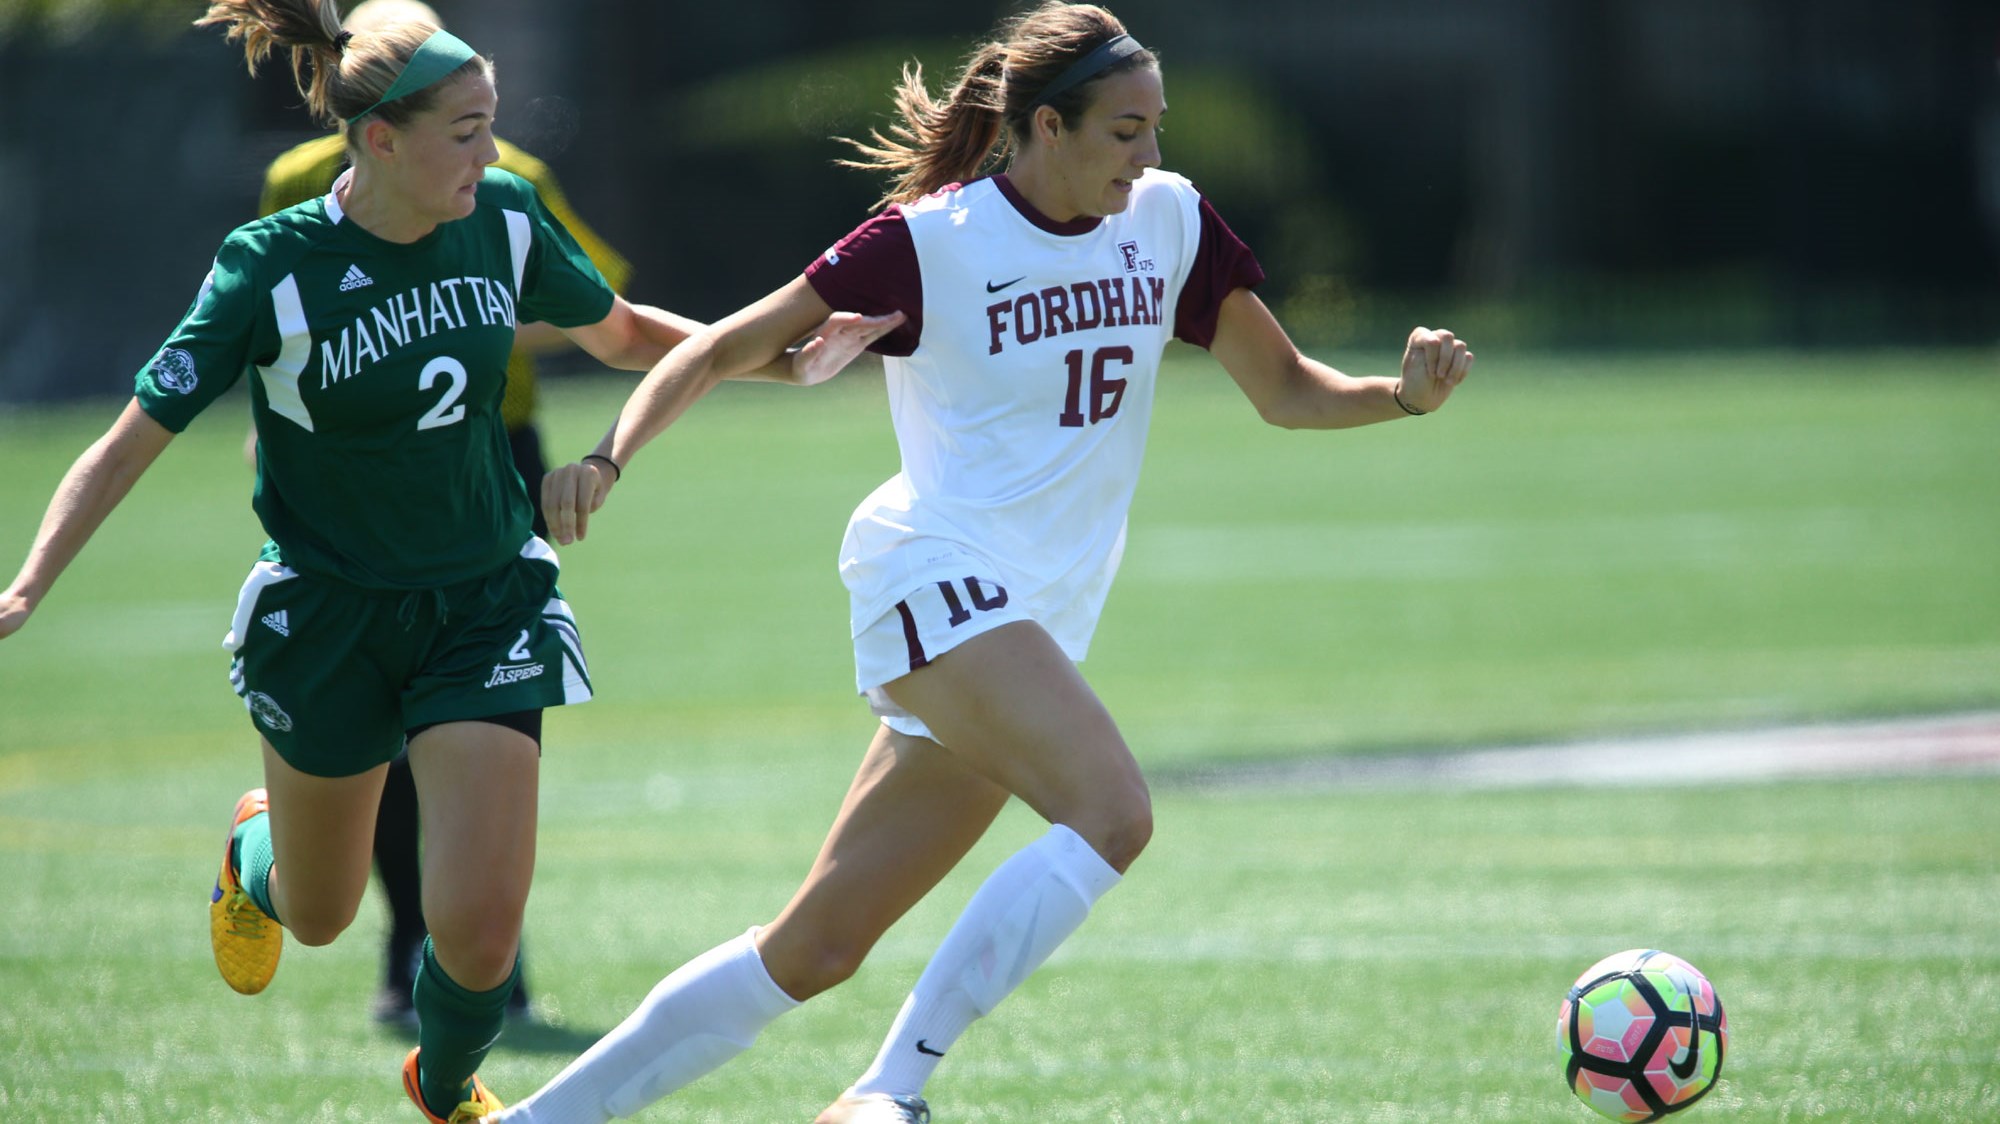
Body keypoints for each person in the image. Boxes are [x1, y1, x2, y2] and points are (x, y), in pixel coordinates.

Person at [493, 4, 1473, 1123]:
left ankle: (536, 1120)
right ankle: (887, 1091)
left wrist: (1398, 397)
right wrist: (608, 457)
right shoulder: (930, 240)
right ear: (1045, 127)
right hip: (931, 574)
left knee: (811, 946)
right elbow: (723, 344)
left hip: (1031, 618)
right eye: (1123, 130)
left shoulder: (1168, 220)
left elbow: (1287, 389)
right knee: (1113, 814)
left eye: (1154, 128)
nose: (1148, 154)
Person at [0, 1, 893, 1120]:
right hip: (328, 615)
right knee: (320, 912)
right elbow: (128, 441)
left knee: (476, 928)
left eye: (492, 125)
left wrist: (785, 360)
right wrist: (30, 580)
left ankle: (448, 1082)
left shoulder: (506, 216)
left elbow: (619, 333)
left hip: (484, 595)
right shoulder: (271, 269)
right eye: (464, 131)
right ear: (378, 140)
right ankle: (255, 848)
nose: (491, 152)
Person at [251, 0, 638, 1031]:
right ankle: (392, 933)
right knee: (377, 745)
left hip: (492, 466)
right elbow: (282, 329)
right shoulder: (296, 190)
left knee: (480, 721)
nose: (478, 146)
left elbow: (600, 309)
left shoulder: (507, 186)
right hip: (348, 486)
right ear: (372, 118)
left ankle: (476, 962)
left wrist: (477, 322)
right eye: (461, 126)